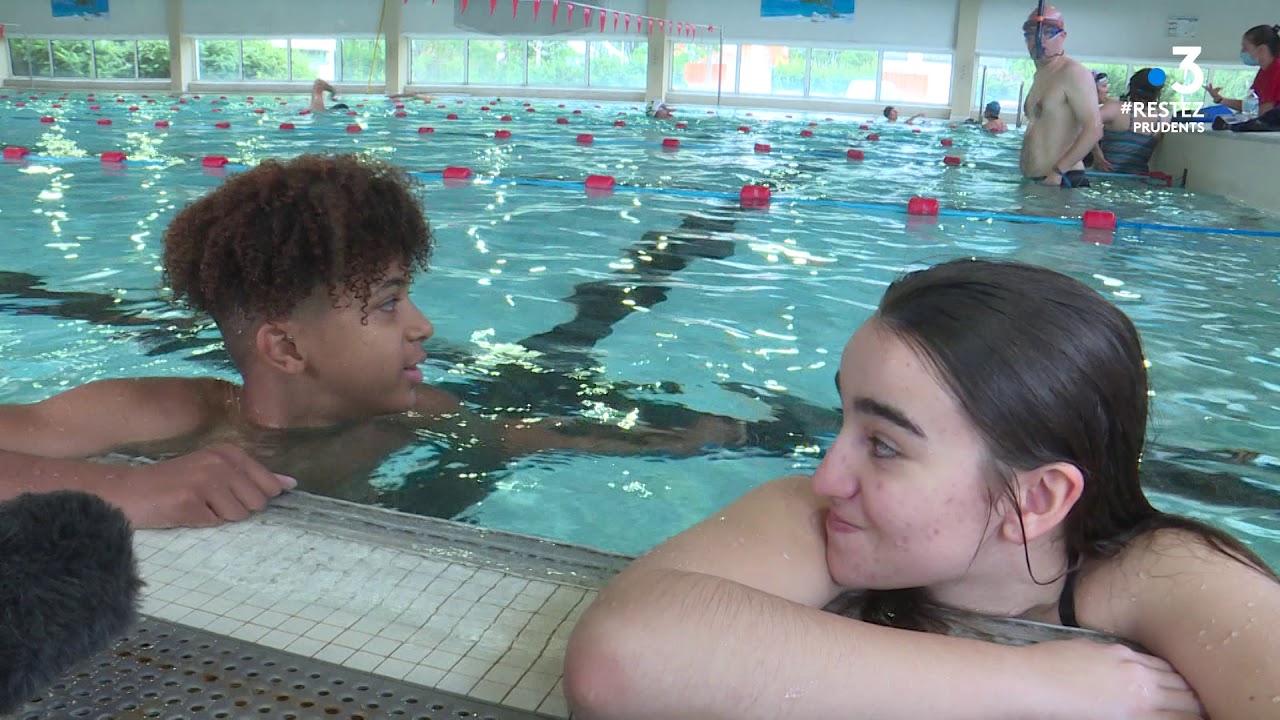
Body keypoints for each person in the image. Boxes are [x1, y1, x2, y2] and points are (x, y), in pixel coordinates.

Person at [565, 258, 1280, 720]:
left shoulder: (1170, 577)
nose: (828, 476)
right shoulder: (821, 516)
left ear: (1034, 501)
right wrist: (1040, 687)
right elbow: (621, 658)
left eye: (884, 444)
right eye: (844, 417)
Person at [0, 154, 743, 529]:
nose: (423, 325)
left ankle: (629, 284)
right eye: (389, 305)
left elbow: (518, 435)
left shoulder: (409, 417)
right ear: (286, 350)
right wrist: (129, 488)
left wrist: (685, 438)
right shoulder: (170, 412)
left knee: (564, 353)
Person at [1019, 5, 1103, 187]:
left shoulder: (1073, 72)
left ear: (1062, 36)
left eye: (1048, 32)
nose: (1039, 39)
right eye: (1031, 33)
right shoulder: (1040, 75)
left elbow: (1094, 128)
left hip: (1060, 181)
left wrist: (1057, 172)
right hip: (1038, 181)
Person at [1091, 69, 1164, 174]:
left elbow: (1084, 122)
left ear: (1131, 87)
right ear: (1157, 92)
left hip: (1105, 174)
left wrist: (1097, 153)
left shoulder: (1114, 109)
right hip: (1138, 180)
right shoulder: (1163, 118)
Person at [1206, 23, 1280, 117]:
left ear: (1261, 49)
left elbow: (1264, 113)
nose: (1242, 52)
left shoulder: (1276, 70)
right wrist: (1220, 99)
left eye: (1245, 47)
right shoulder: (1263, 72)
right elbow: (1250, 106)